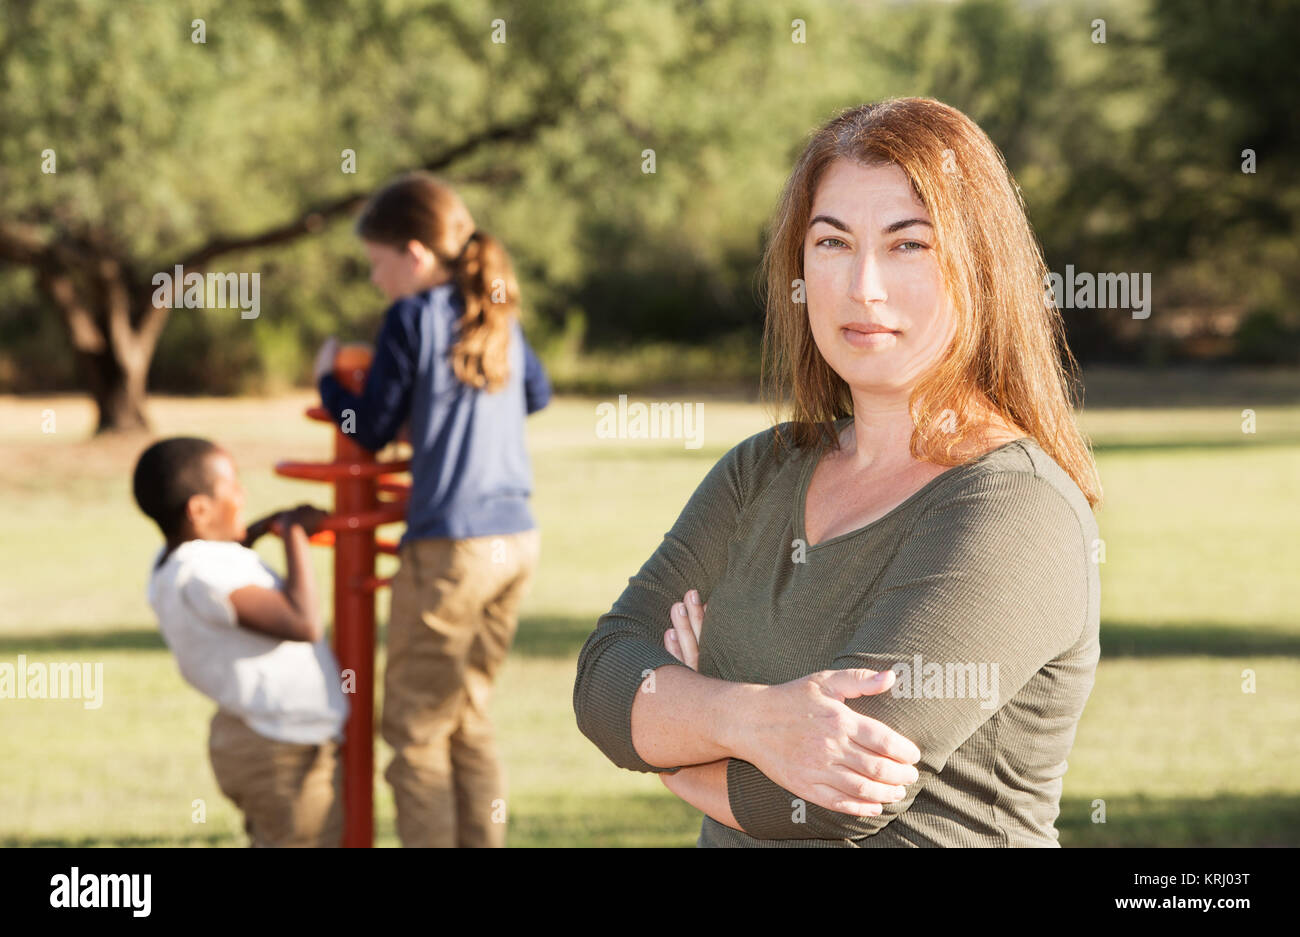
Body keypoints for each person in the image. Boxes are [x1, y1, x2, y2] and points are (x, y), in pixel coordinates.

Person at [573, 97, 1103, 847]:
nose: (863, 286)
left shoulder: (1012, 508)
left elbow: (837, 798)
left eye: (908, 245)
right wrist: (752, 719)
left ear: (980, 264)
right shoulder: (763, 470)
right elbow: (602, 678)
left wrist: (672, 742)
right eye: (832, 242)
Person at [313, 172, 550, 847]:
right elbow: (535, 392)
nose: (375, 281)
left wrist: (329, 379)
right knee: (467, 717)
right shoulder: (497, 310)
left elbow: (371, 424)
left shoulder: (411, 316)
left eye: (376, 265)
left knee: (414, 730)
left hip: (450, 543)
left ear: (415, 254)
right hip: (516, 537)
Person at [133, 436, 347, 847]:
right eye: (232, 487)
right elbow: (303, 622)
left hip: (259, 737)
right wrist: (294, 536)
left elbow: (225, 555)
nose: (242, 495)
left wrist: (262, 528)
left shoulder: (177, 560)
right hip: (282, 749)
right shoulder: (204, 573)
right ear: (199, 510)